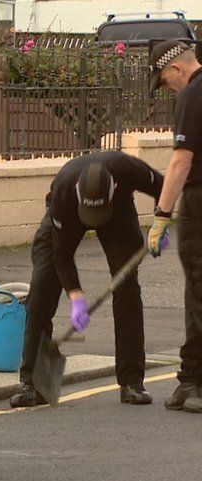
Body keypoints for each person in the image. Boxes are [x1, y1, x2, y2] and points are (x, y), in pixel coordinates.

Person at [10, 152, 163, 408]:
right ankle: (33, 384)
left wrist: (162, 221)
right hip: (68, 214)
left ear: (115, 186)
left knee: (127, 287)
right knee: (42, 286)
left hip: (118, 212)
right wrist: (76, 298)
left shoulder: (127, 169)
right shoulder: (64, 191)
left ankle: (131, 381)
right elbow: (62, 255)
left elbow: (162, 185)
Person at [145, 40, 202, 413]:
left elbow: (181, 160)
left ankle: (196, 381)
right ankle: (191, 377)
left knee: (198, 283)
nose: (166, 90)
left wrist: (161, 216)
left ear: (177, 69)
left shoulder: (193, 95)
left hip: (200, 196)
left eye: (164, 81)